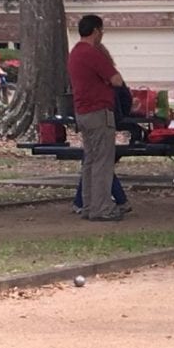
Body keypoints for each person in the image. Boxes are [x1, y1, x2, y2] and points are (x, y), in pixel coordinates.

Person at [68, 15, 125, 222]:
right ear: (95, 30)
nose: (102, 35)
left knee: (90, 161)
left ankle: (89, 205)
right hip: (99, 112)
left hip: (82, 112)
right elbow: (116, 80)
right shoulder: (93, 53)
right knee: (103, 162)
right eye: (101, 31)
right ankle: (102, 207)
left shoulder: (75, 53)